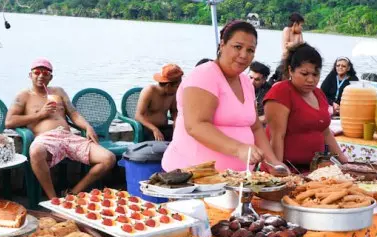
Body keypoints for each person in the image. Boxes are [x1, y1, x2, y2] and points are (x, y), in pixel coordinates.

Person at [161, 21, 286, 173]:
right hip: (193, 178)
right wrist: (238, 148)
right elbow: (196, 126)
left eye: (250, 50)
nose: (244, 55)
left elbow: (255, 127)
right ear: (222, 45)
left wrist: (273, 162)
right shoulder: (204, 75)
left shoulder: (246, 82)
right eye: (237, 47)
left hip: (237, 179)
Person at [5, 58, 115, 199]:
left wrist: (88, 127)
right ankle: (53, 199)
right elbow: (9, 121)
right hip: (46, 139)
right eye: (37, 72)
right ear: (30, 75)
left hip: (68, 137)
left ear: (50, 77)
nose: (41, 76)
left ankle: (73, 194)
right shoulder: (24, 96)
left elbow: (74, 114)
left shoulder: (59, 92)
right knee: (35, 151)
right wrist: (40, 114)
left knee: (108, 158)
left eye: (45, 73)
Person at [264, 43, 348, 171]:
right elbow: (277, 137)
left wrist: (344, 161)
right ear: (291, 70)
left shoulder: (318, 94)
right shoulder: (281, 92)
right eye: (304, 74)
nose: (310, 80)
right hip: (288, 169)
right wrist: (277, 170)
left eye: (315, 74)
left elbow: (325, 132)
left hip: (314, 169)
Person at [135, 64, 183, 141]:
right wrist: (155, 130)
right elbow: (138, 116)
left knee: (181, 140)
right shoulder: (149, 91)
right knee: (159, 147)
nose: (178, 89)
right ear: (168, 86)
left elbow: (174, 111)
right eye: (177, 86)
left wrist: (175, 122)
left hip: (164, 128)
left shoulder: (172, 94)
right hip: (148, 129)